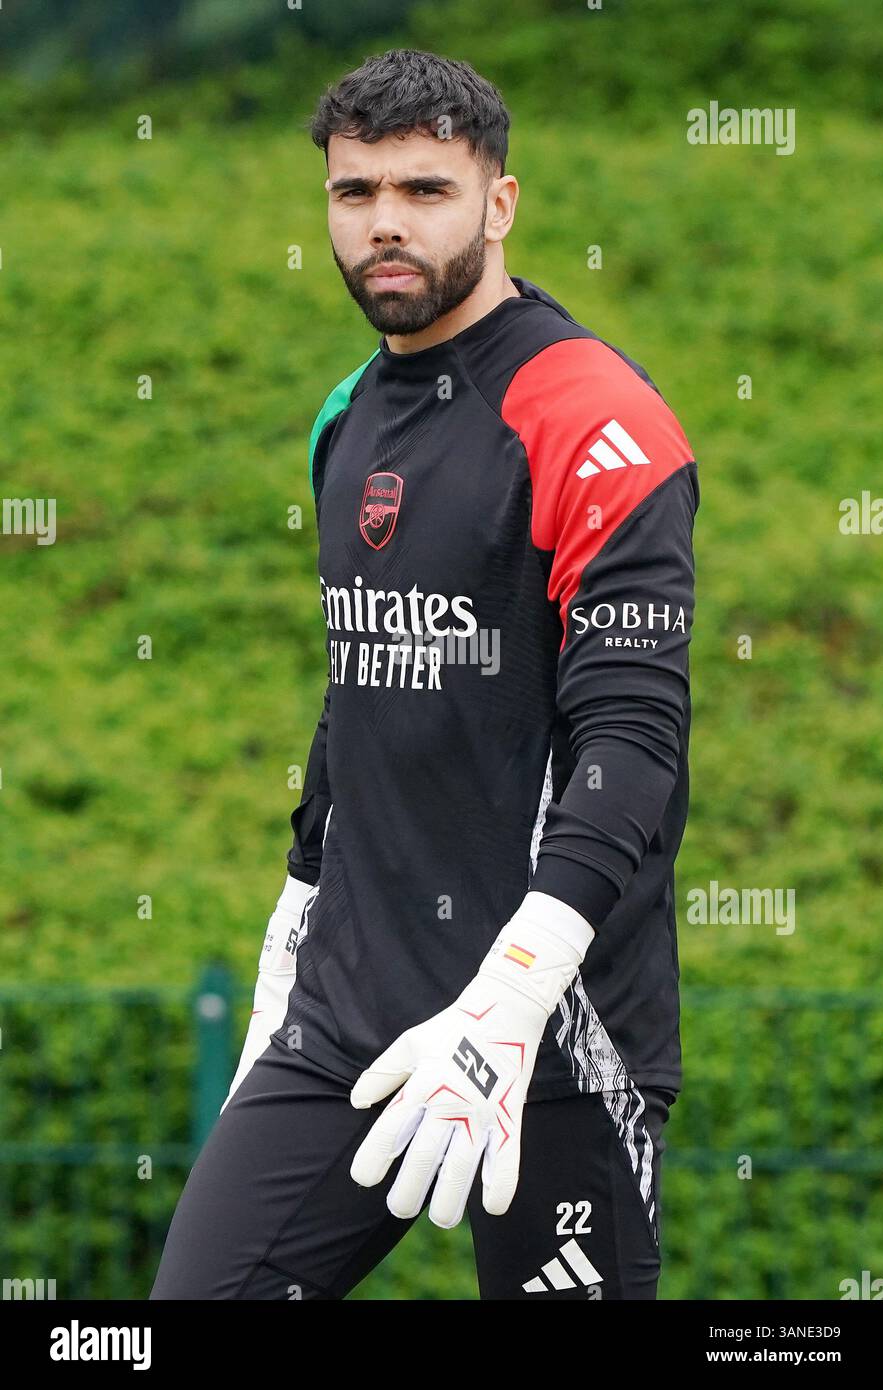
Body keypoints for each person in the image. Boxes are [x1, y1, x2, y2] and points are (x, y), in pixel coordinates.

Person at [151, 46, 698, 1301]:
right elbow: (358, 695)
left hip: (558, 1032)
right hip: (346, 1016)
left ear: (499, 203)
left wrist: (508, 999)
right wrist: (291, 929)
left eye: (424, 189)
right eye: (354, 194)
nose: (384, 224)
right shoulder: (344, 417)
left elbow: (631, 740)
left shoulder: (592, 416)